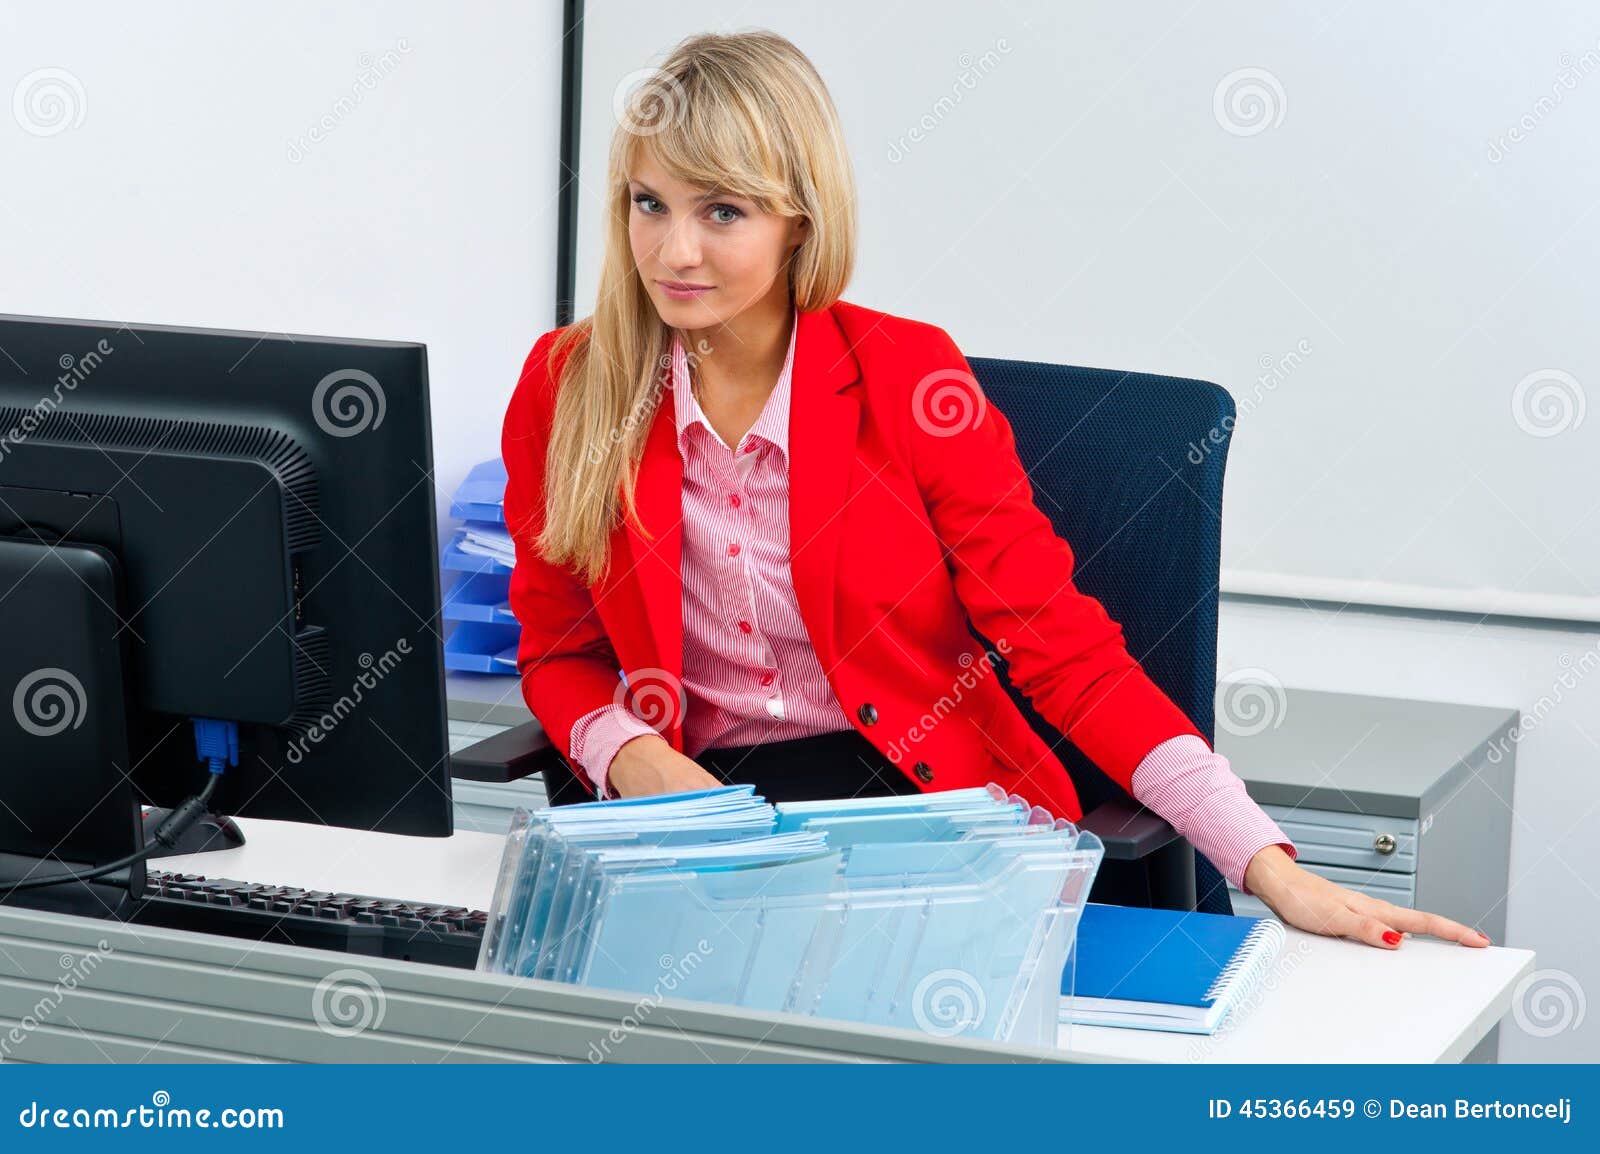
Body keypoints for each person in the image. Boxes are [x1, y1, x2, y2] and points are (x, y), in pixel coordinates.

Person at [500, 30, 1489, 952]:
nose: (674, 251)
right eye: (648, 203)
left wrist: (1265, 863)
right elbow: (559, 651)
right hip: (699, 823)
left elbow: (1071, 659)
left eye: (722, 210)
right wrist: (633, 757)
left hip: (924, 812)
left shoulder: (907, 379)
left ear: (799, 218)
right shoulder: (570, 387)